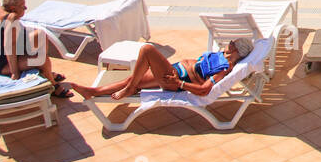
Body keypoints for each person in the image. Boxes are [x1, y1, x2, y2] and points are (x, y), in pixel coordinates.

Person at [71, 38, 254, 101]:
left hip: (176, 80)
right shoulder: (223, 54)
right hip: (175, 71)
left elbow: (205, 90)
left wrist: (179, 82)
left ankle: (128, 89)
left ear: (236, 50)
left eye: (233, 43)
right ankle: (92, 92)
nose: (229, 42)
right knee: (133, 79)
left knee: (148, 50)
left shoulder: (225, 68)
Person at [0, 0, 70, 98]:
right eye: (23, 6)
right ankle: (53, 85)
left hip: (4, 51)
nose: (26, 8)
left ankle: (46, 72)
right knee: (41, 59)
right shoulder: (11, 18)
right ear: (13, 8)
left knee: (40, 34)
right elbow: (9, 46)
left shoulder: (3, 9)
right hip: (1, 64)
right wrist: (14, 72)